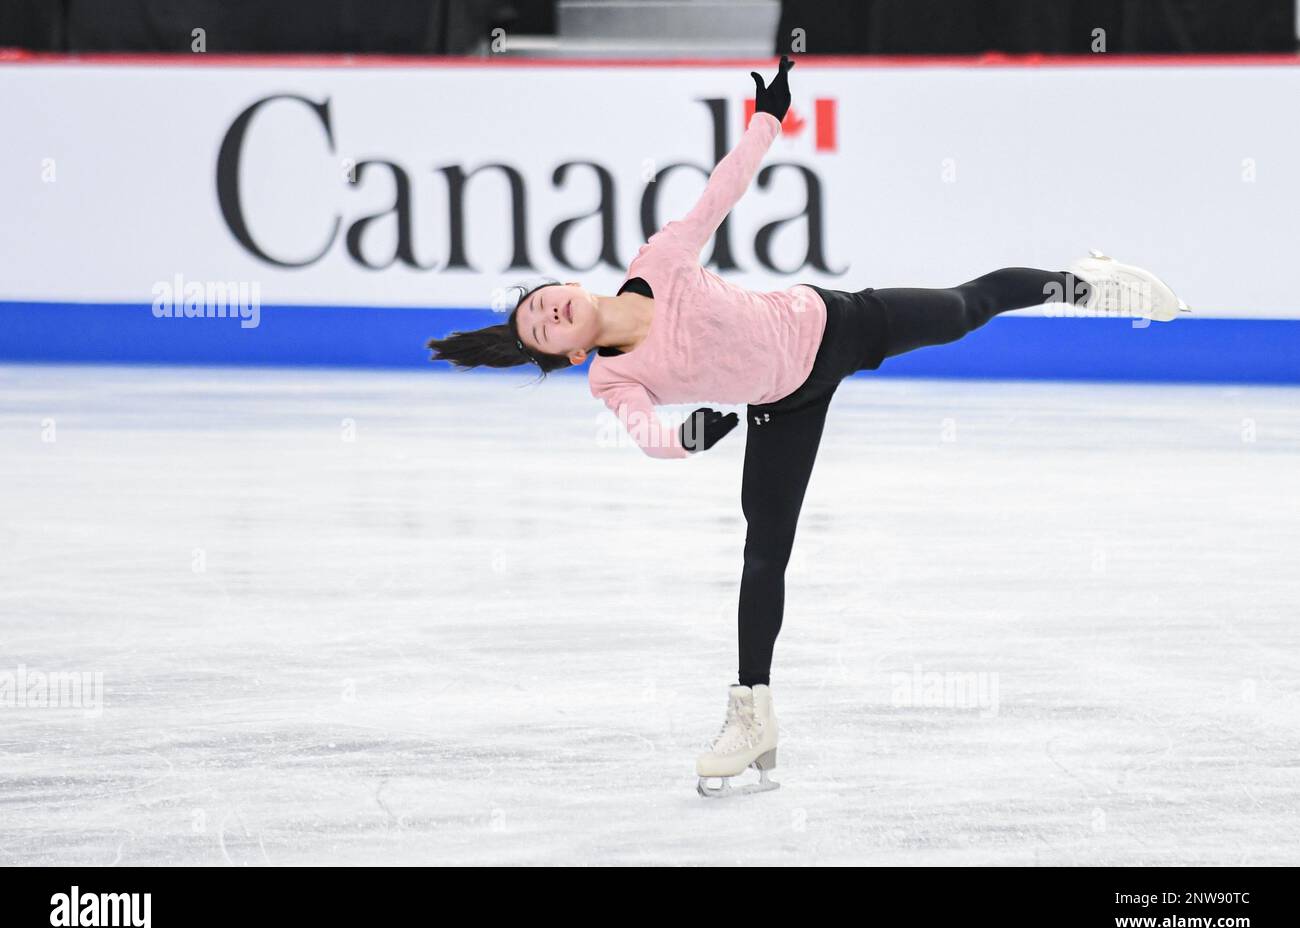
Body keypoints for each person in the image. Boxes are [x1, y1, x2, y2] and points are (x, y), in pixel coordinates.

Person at [427, 55, 1189, 797]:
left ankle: (1089, 282)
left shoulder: (658, 260)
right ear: (567, 353)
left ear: (564, 285)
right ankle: (751, 712)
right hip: (780, 403)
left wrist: (766, 117)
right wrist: (686, 438)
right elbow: (647, 434)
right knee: (764, 550)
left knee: (962, 310)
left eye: (541, 303)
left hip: (828, 324)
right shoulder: (612, 375)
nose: (548, 315)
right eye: (541, 331)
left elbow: (721, 194)